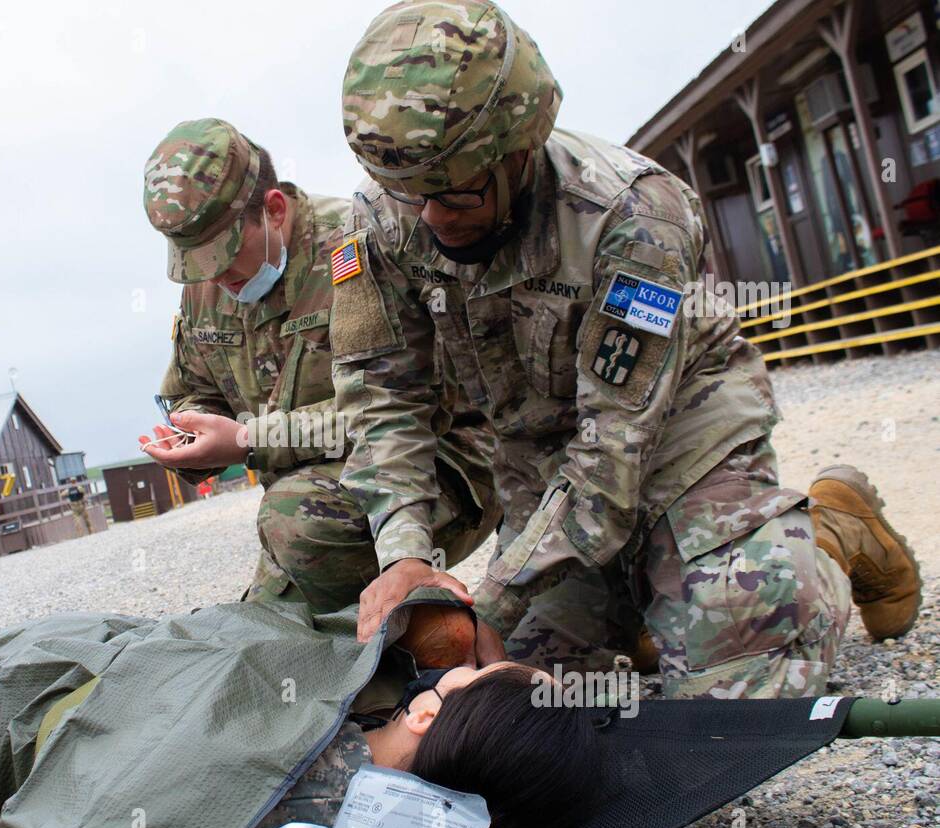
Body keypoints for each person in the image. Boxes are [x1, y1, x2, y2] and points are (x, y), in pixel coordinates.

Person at [327, 1, 922, 698]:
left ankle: (830, 531)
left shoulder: (635, 217)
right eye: (408, 193)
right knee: (512, 692)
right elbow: (383, 401)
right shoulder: (378, 224)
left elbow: (615, 451)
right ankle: (659, 604)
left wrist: (494, 596)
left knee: (741, 685)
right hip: (548, 477)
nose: (430, 218)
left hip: (681, 447)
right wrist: (402, 555)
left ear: (519, 147)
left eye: (456, 193)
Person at [0, 598, 603, 828]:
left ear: (430, 712)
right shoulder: (407, 802)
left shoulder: (321, 767)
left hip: (38, 732)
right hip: (128, 680)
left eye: (473, 673)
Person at [138, 118, 501, 613]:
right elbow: (193, 386)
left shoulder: (357, 248)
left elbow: (402, 409)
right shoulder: (208, 283)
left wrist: (248, 440)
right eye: (197, 265)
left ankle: (403, 629)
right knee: (264, 624)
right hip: (309, 496)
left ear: (274, 209)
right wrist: (192, 433)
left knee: (296, 532)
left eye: (224, 256)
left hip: (432, 467)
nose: (216, 278)